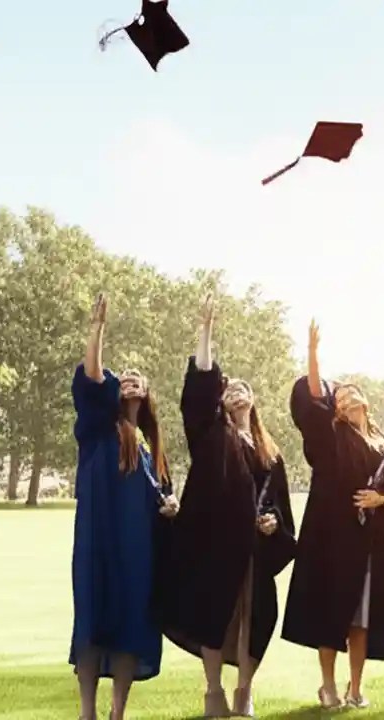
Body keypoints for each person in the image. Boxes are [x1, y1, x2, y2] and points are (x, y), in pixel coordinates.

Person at [160, 293, 297, 717]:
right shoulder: (210, 434)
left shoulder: (269, 451)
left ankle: (245, 691)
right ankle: (213, 691)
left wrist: (274, 522)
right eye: (231, 388)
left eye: (245, 388)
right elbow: (200, 384)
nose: (238, 391)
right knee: (213, 615)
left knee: (258, 618)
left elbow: (277, 501)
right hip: (216, 544)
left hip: (254, 549)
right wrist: (206, 333)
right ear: (220, 400)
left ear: (254, 402)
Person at [282, 319, 384, 710]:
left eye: (352, 392)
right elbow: (314, 399)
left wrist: (383, 500)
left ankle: (356, 688)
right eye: (340, 395)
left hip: (373, 542)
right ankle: (329, 686)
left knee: (362, 617)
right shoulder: (330, 435)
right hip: (335, 539)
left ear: (366, 402)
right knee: (332, 609)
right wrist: (313, 355)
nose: (345, 397)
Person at [69, 293, 178, 720]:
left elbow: (162, 496)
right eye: (124, 377)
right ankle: (88, 713)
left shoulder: (152, 447)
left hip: (138, 548)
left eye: (137, 378)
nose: (129, 380)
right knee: (94, 617)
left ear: (147, 393)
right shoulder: (99, 427)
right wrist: (96, 331)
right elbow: (93, 378)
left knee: (134, 621)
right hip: (99, 537)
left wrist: (170, 506)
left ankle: (118, 713)